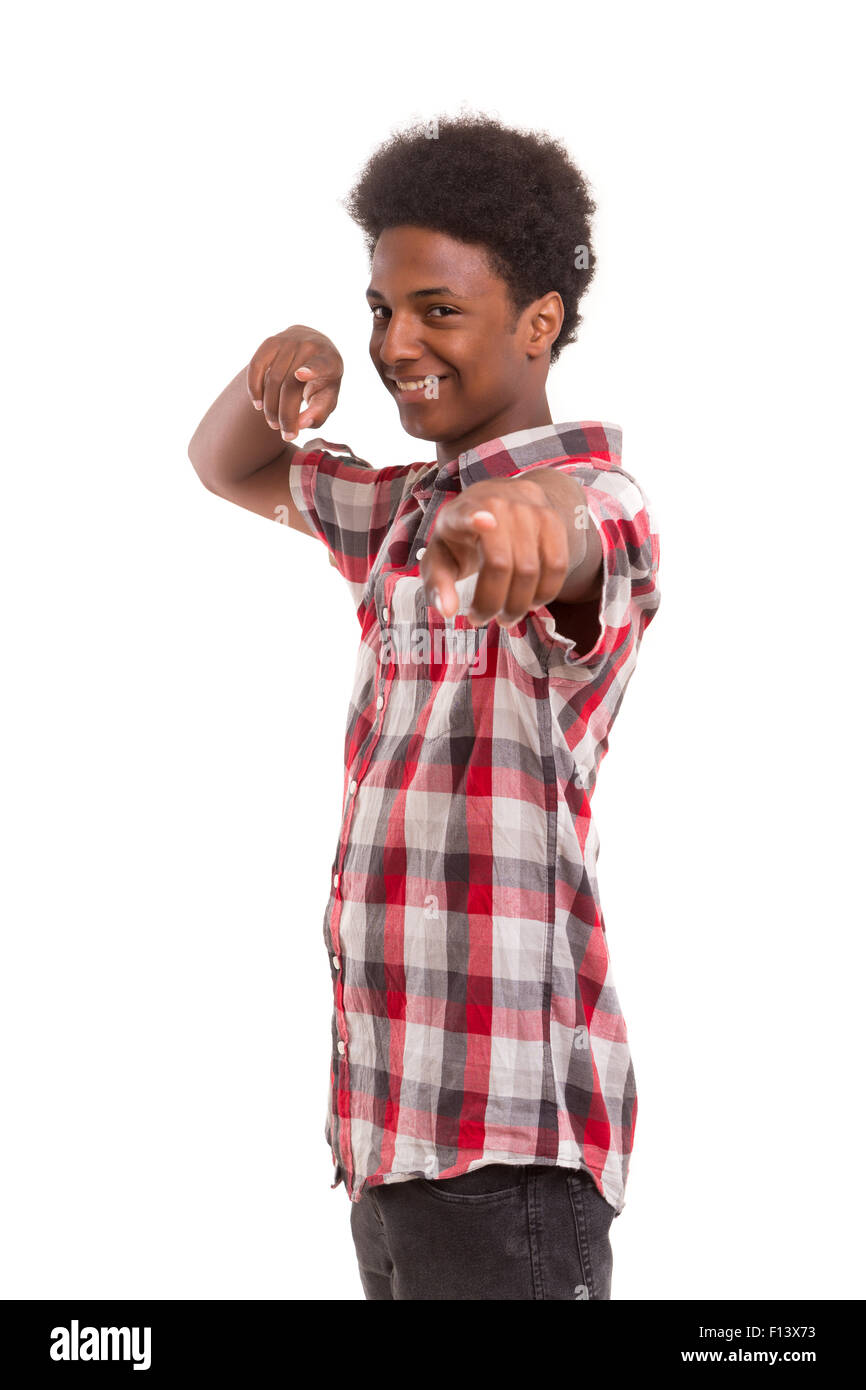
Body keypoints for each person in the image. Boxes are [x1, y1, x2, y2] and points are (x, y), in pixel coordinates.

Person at [187, 112, 661, 1300]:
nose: (395, 343)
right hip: (389, 1133)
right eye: (379, 309)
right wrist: (280, 367)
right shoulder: (399, 514)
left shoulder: (598, 498)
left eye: (435, 310)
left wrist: (523, 523)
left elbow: (577, 531)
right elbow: (227, 464)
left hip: (509, 1150)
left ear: (538, 322)